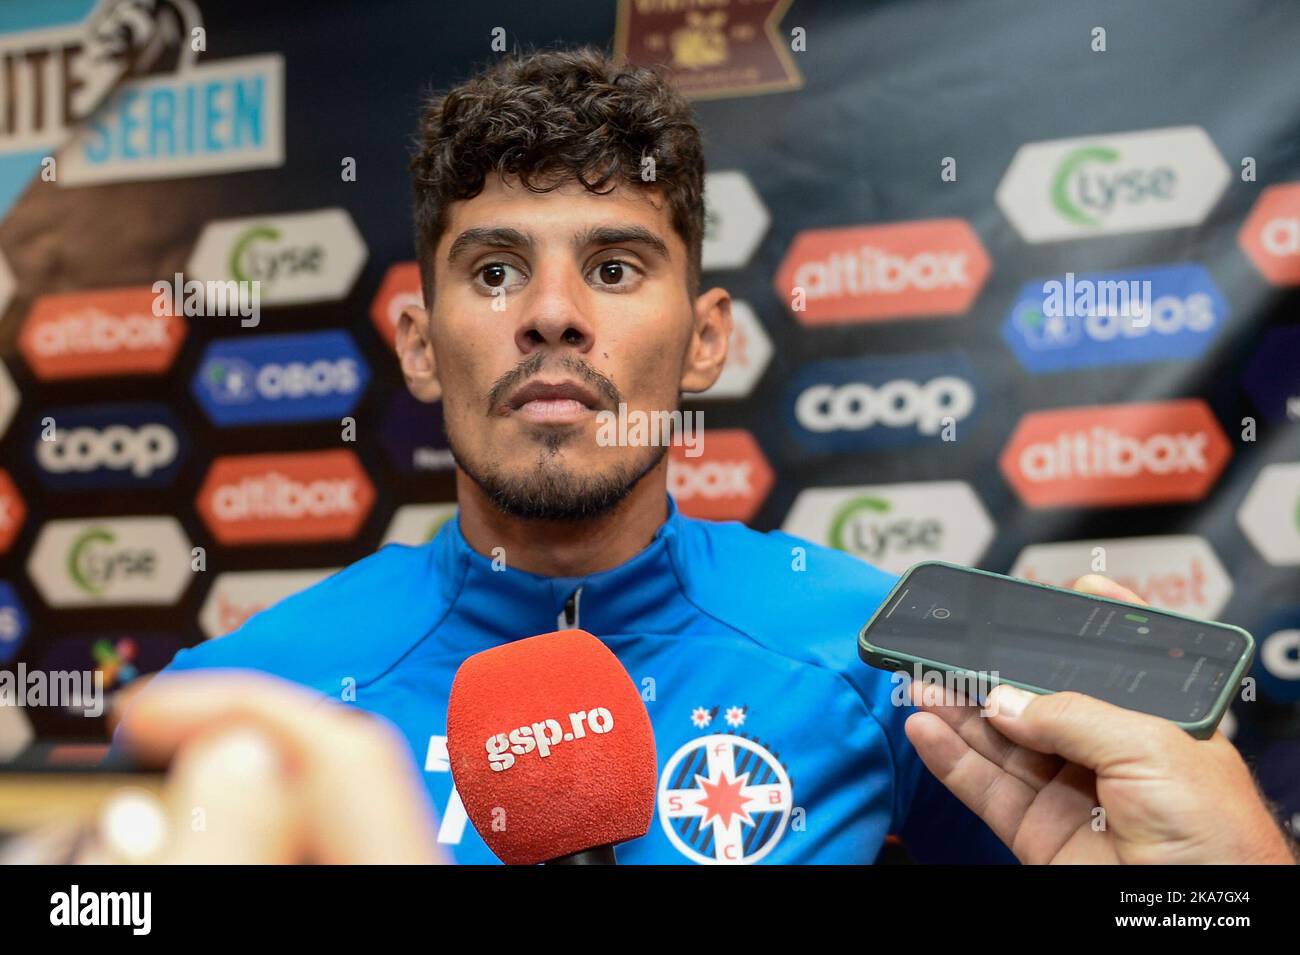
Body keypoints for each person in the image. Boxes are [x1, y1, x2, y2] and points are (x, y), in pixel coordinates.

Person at [110, 47, 1293, 866]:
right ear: (419, 345)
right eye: (494, 270)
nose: (554, 316)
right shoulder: (258, 702)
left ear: (706, 340)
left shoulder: (887, 658)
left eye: (615, 268)